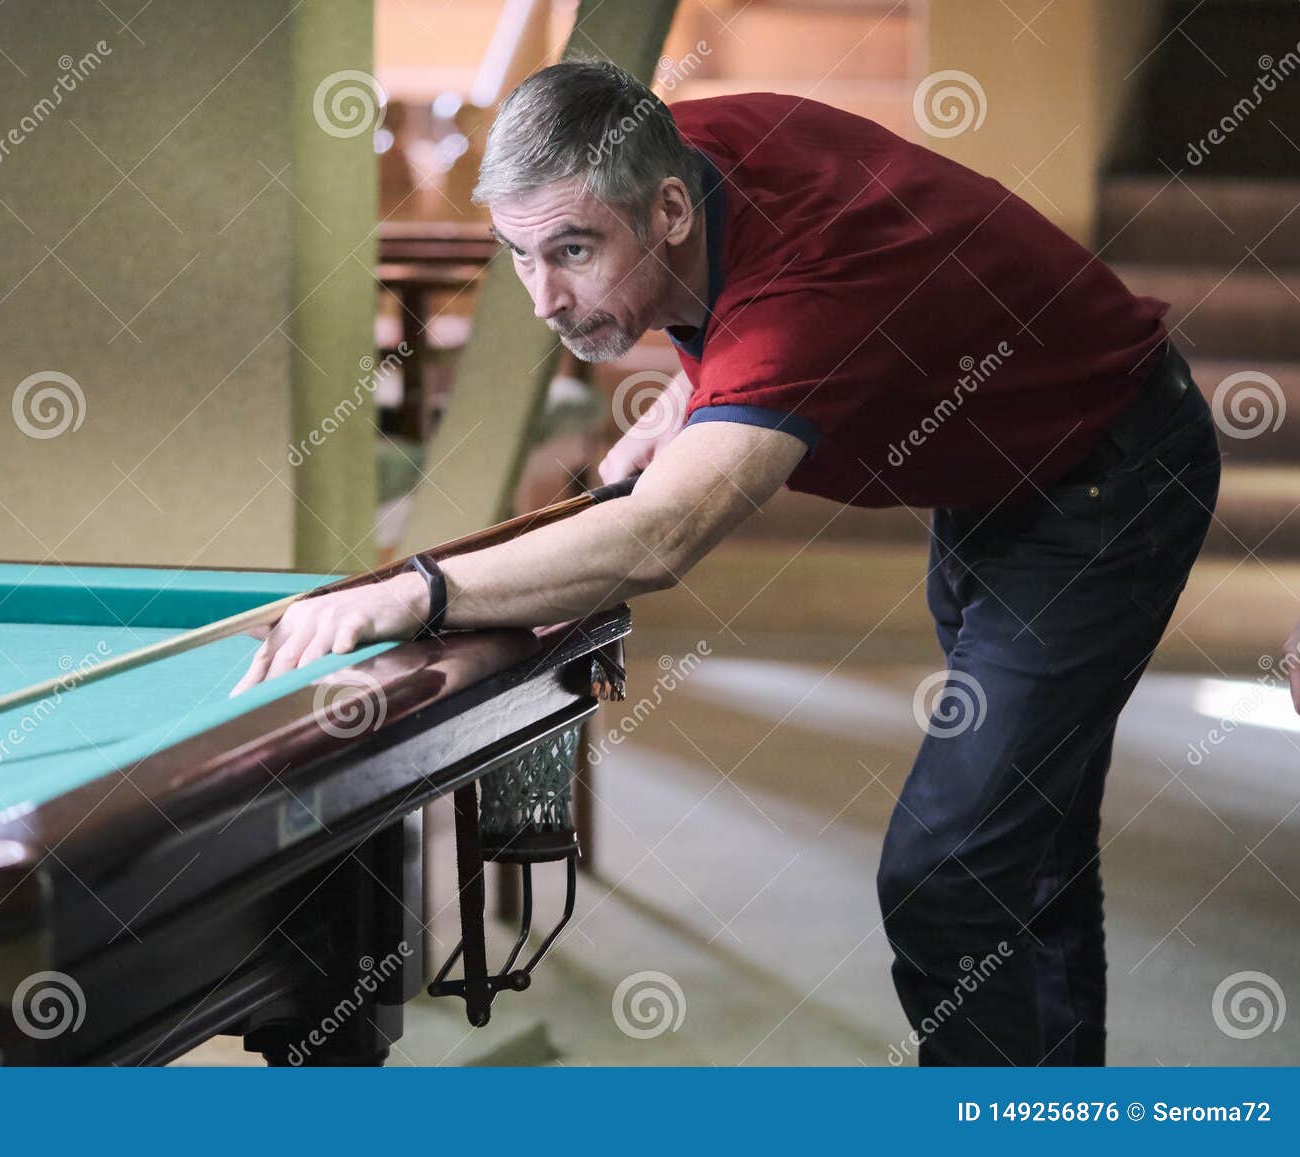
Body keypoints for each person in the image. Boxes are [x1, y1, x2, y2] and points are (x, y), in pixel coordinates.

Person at [235, 60, 1221, 1065]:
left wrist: (419, 590)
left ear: (669, 209)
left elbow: (660, 535)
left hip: (1105, 479)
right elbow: (736, 298)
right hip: (994, 467)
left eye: (572, 250)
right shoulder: (654, 145)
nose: (543, 299)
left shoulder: (805, 291)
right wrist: (690, 401)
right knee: (1023, 842)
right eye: (519, 254)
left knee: (956, 870)